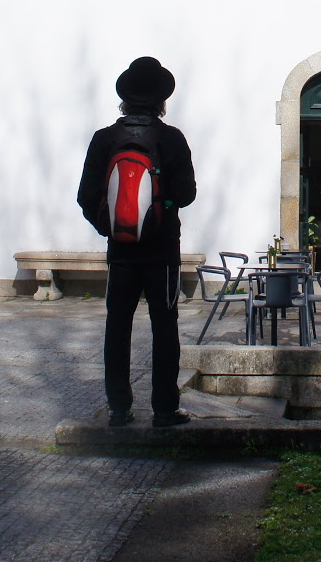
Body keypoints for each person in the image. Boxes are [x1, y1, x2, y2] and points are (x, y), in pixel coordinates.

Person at [77, 56, 197, 428]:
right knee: (165, 329)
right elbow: (187, 193)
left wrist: (114, 227)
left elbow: (86, 196)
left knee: (118, 327)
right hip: (162, 253)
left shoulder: (105, 139)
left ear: (125, 99)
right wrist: (161, 213)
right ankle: (164, 409)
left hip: (121, 255)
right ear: (161, 99)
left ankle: (118, 408)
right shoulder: (171, 138)